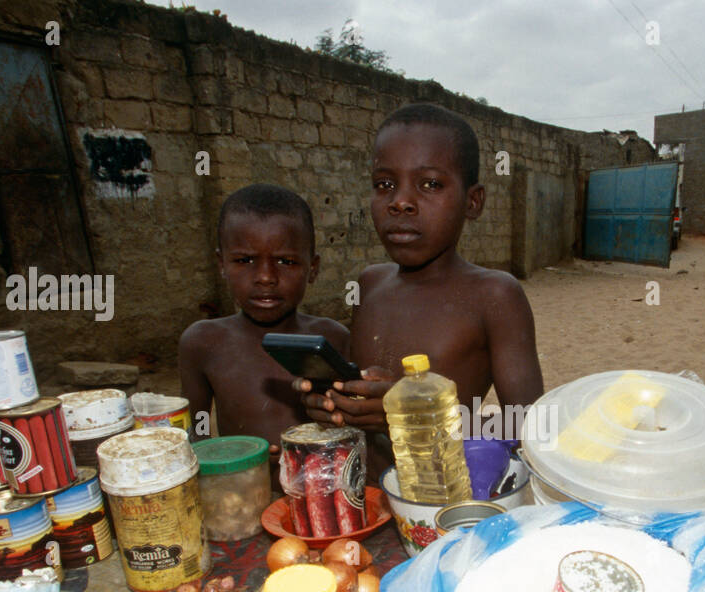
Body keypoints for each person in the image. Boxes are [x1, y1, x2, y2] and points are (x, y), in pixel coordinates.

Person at [295, 103, 544, 466]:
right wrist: (331, 401)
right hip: (366, 495)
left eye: (430, 184)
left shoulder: (495, 296)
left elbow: (530, 427)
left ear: (472, 202)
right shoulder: (369, 283)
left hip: (445, 500)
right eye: (385, 184)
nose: (400, 202)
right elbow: (360, 395)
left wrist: (415, 417)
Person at [179, 184, 349, 446]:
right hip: (240, 485)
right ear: (221, 264)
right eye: (245, 260)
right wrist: (238, 464)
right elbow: (195, 437)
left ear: (312, 268)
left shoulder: (333, 338)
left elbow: (352, 427)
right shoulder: (202, 343)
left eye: (287, 262)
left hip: (321, 485)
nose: (265, 278)